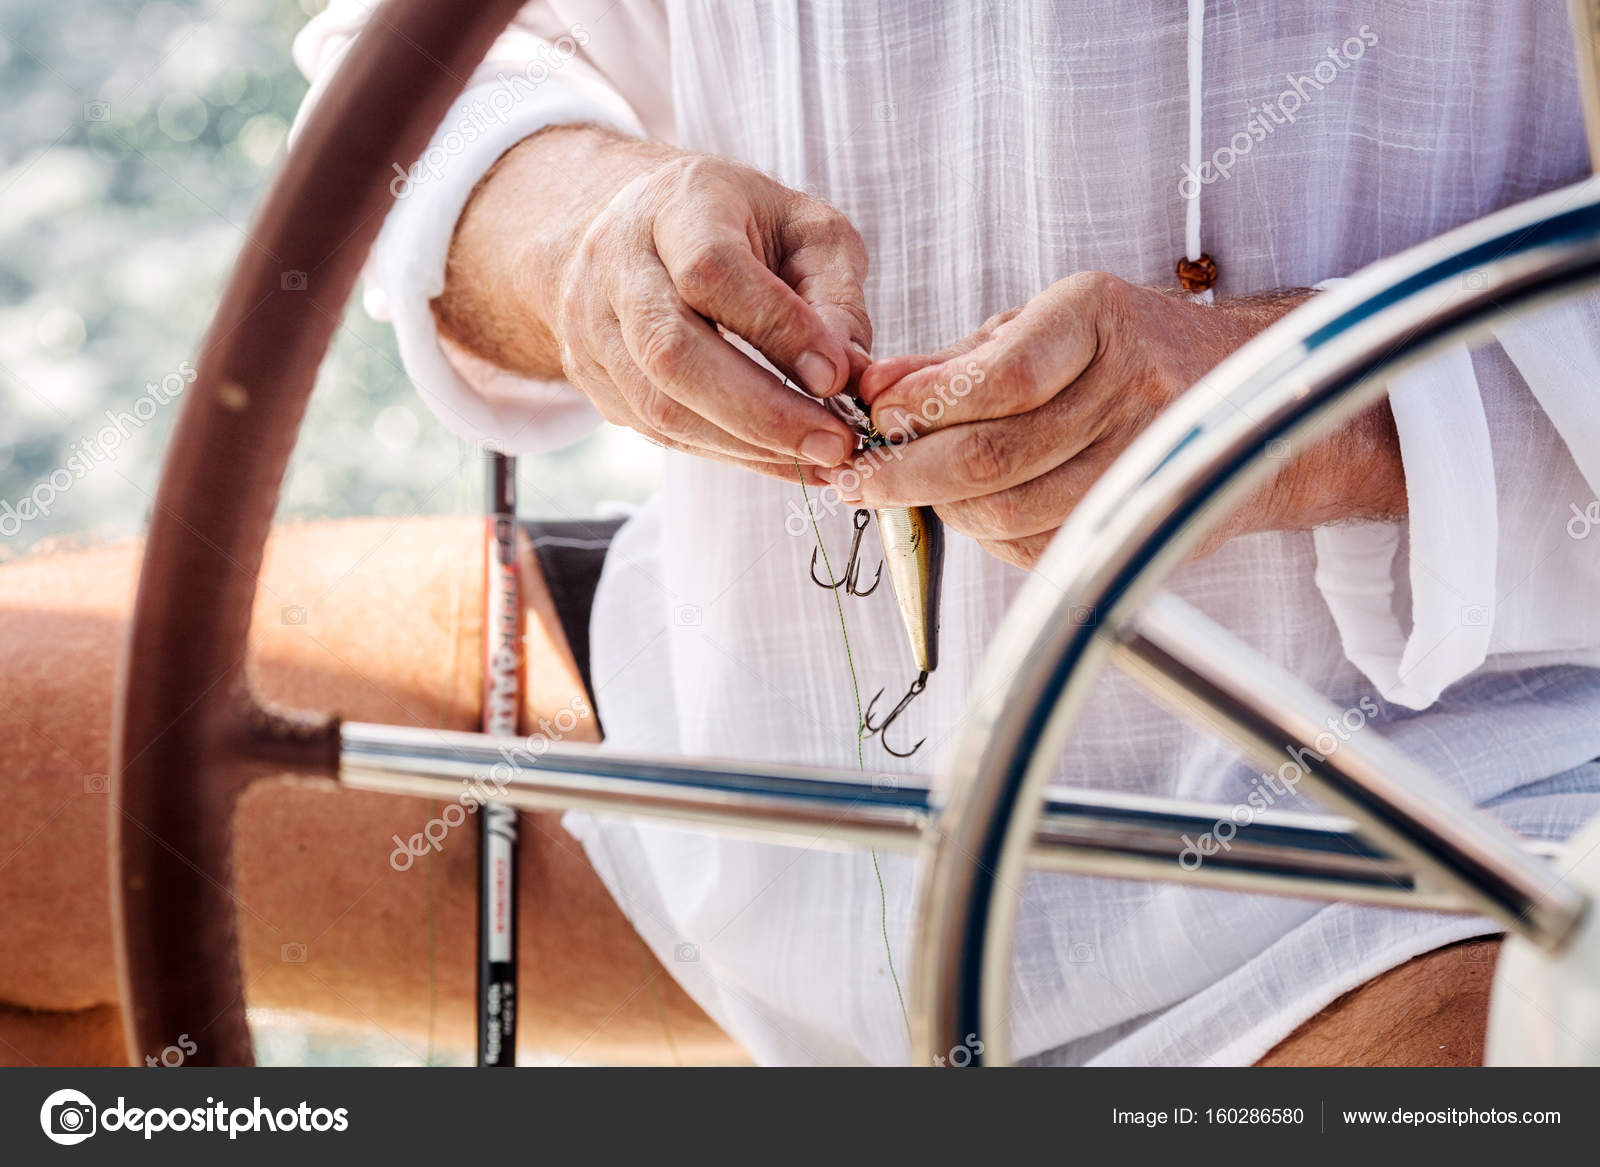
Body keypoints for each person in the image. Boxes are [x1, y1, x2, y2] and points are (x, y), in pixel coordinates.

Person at [4, 0, 1598, 1066]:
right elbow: (431, 78)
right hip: (723, 771)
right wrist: (591, 246)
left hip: (1436, 837)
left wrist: (1306, 416)